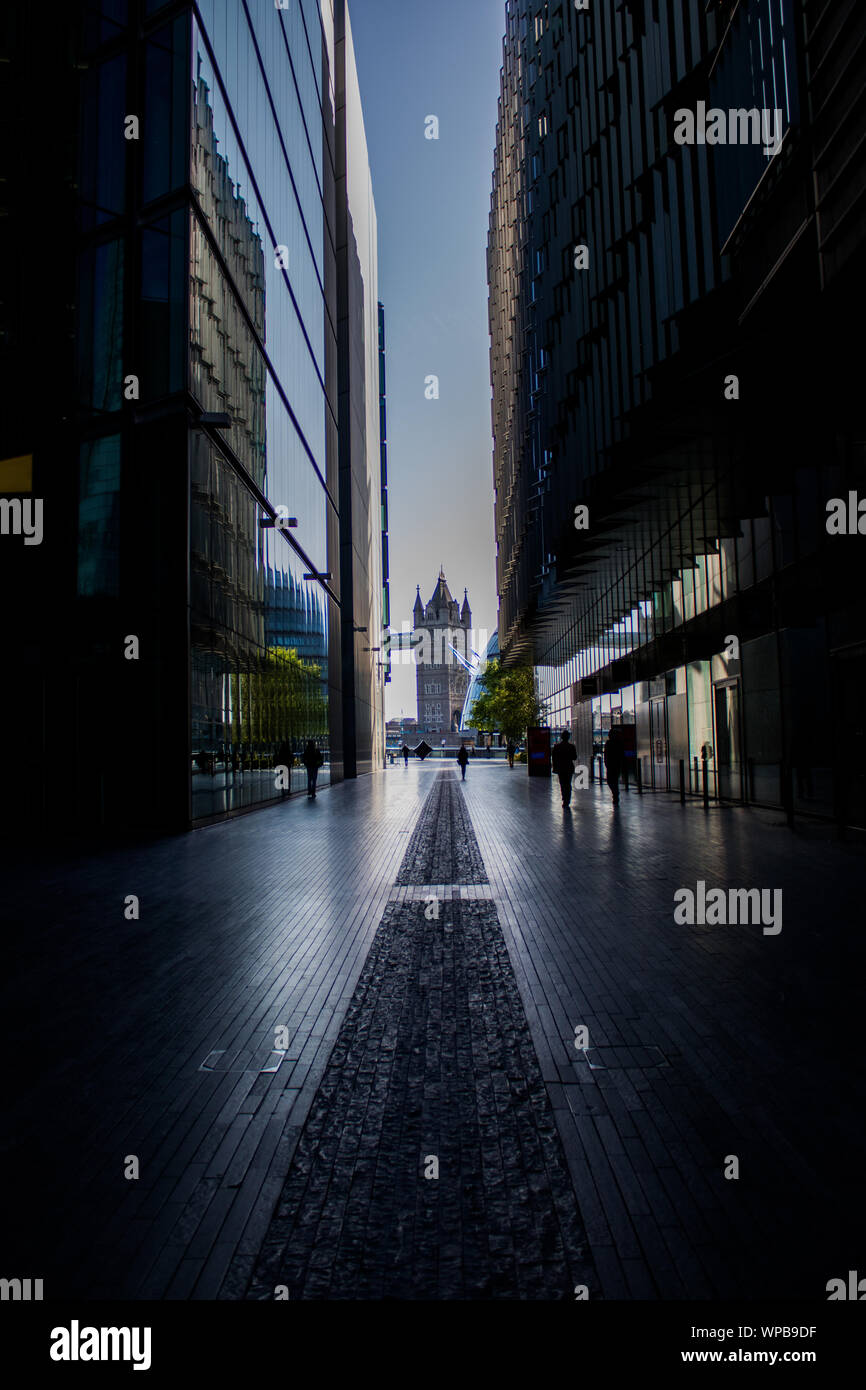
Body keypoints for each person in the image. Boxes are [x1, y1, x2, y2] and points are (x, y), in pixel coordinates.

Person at [551, 729, 578, 807]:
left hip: (560, 768)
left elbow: (554, 758)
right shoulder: (571, 746)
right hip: (569, 767)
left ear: (561, 737)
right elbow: (574, 757)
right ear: (568, 737)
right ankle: (567, 799)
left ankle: (564, 798)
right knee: (568, 784)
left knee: (562, 784)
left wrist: (554, 767)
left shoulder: (557, 747)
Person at [603, 729, 624, 805]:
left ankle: (615, 794)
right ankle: (615, 794)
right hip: (614, 764)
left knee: (611, 781)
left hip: (613, 764)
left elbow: (606, 754)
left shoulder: (610, 743)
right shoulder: (618, 743)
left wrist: (606, 761)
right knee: (613, 781)